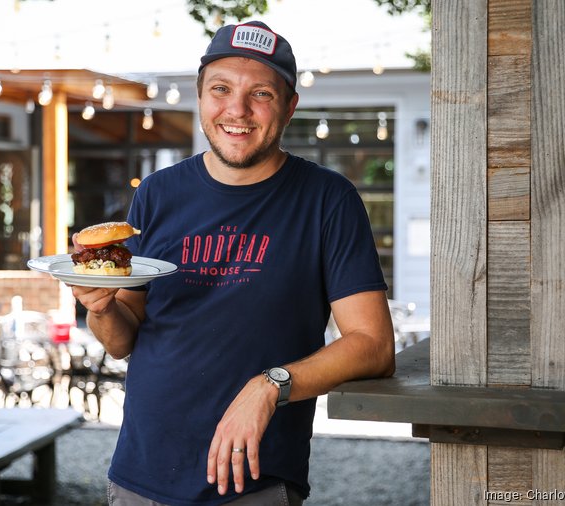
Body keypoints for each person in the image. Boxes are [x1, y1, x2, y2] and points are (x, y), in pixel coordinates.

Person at [72, 20, 396, 506]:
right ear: (201, 98)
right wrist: (101, 309)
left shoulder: (328, 200)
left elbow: (373, 346)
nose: (237, 110)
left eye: (260, 93)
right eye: (220, 89)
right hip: (140, 476)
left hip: (256, 483)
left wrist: (271, 385)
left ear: (289, 107)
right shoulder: (157, 194)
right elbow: (124, 340)